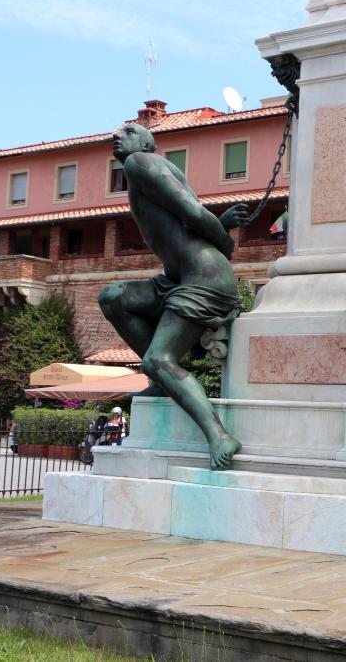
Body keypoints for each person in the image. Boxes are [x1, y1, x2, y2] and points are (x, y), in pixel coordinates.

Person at [98, 123, 251, 470]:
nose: (118, 136)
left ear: (147, 144)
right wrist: (222, 225)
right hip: (180, 278)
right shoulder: (149, 171)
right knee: (113, 297)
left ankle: (218, 436)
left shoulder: (140, 162)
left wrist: (224, 242)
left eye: (130, 131)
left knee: (157, 359)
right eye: (119, 132)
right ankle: (163, 382)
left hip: (204, 279)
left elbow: (193, 213)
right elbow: (186, 219)